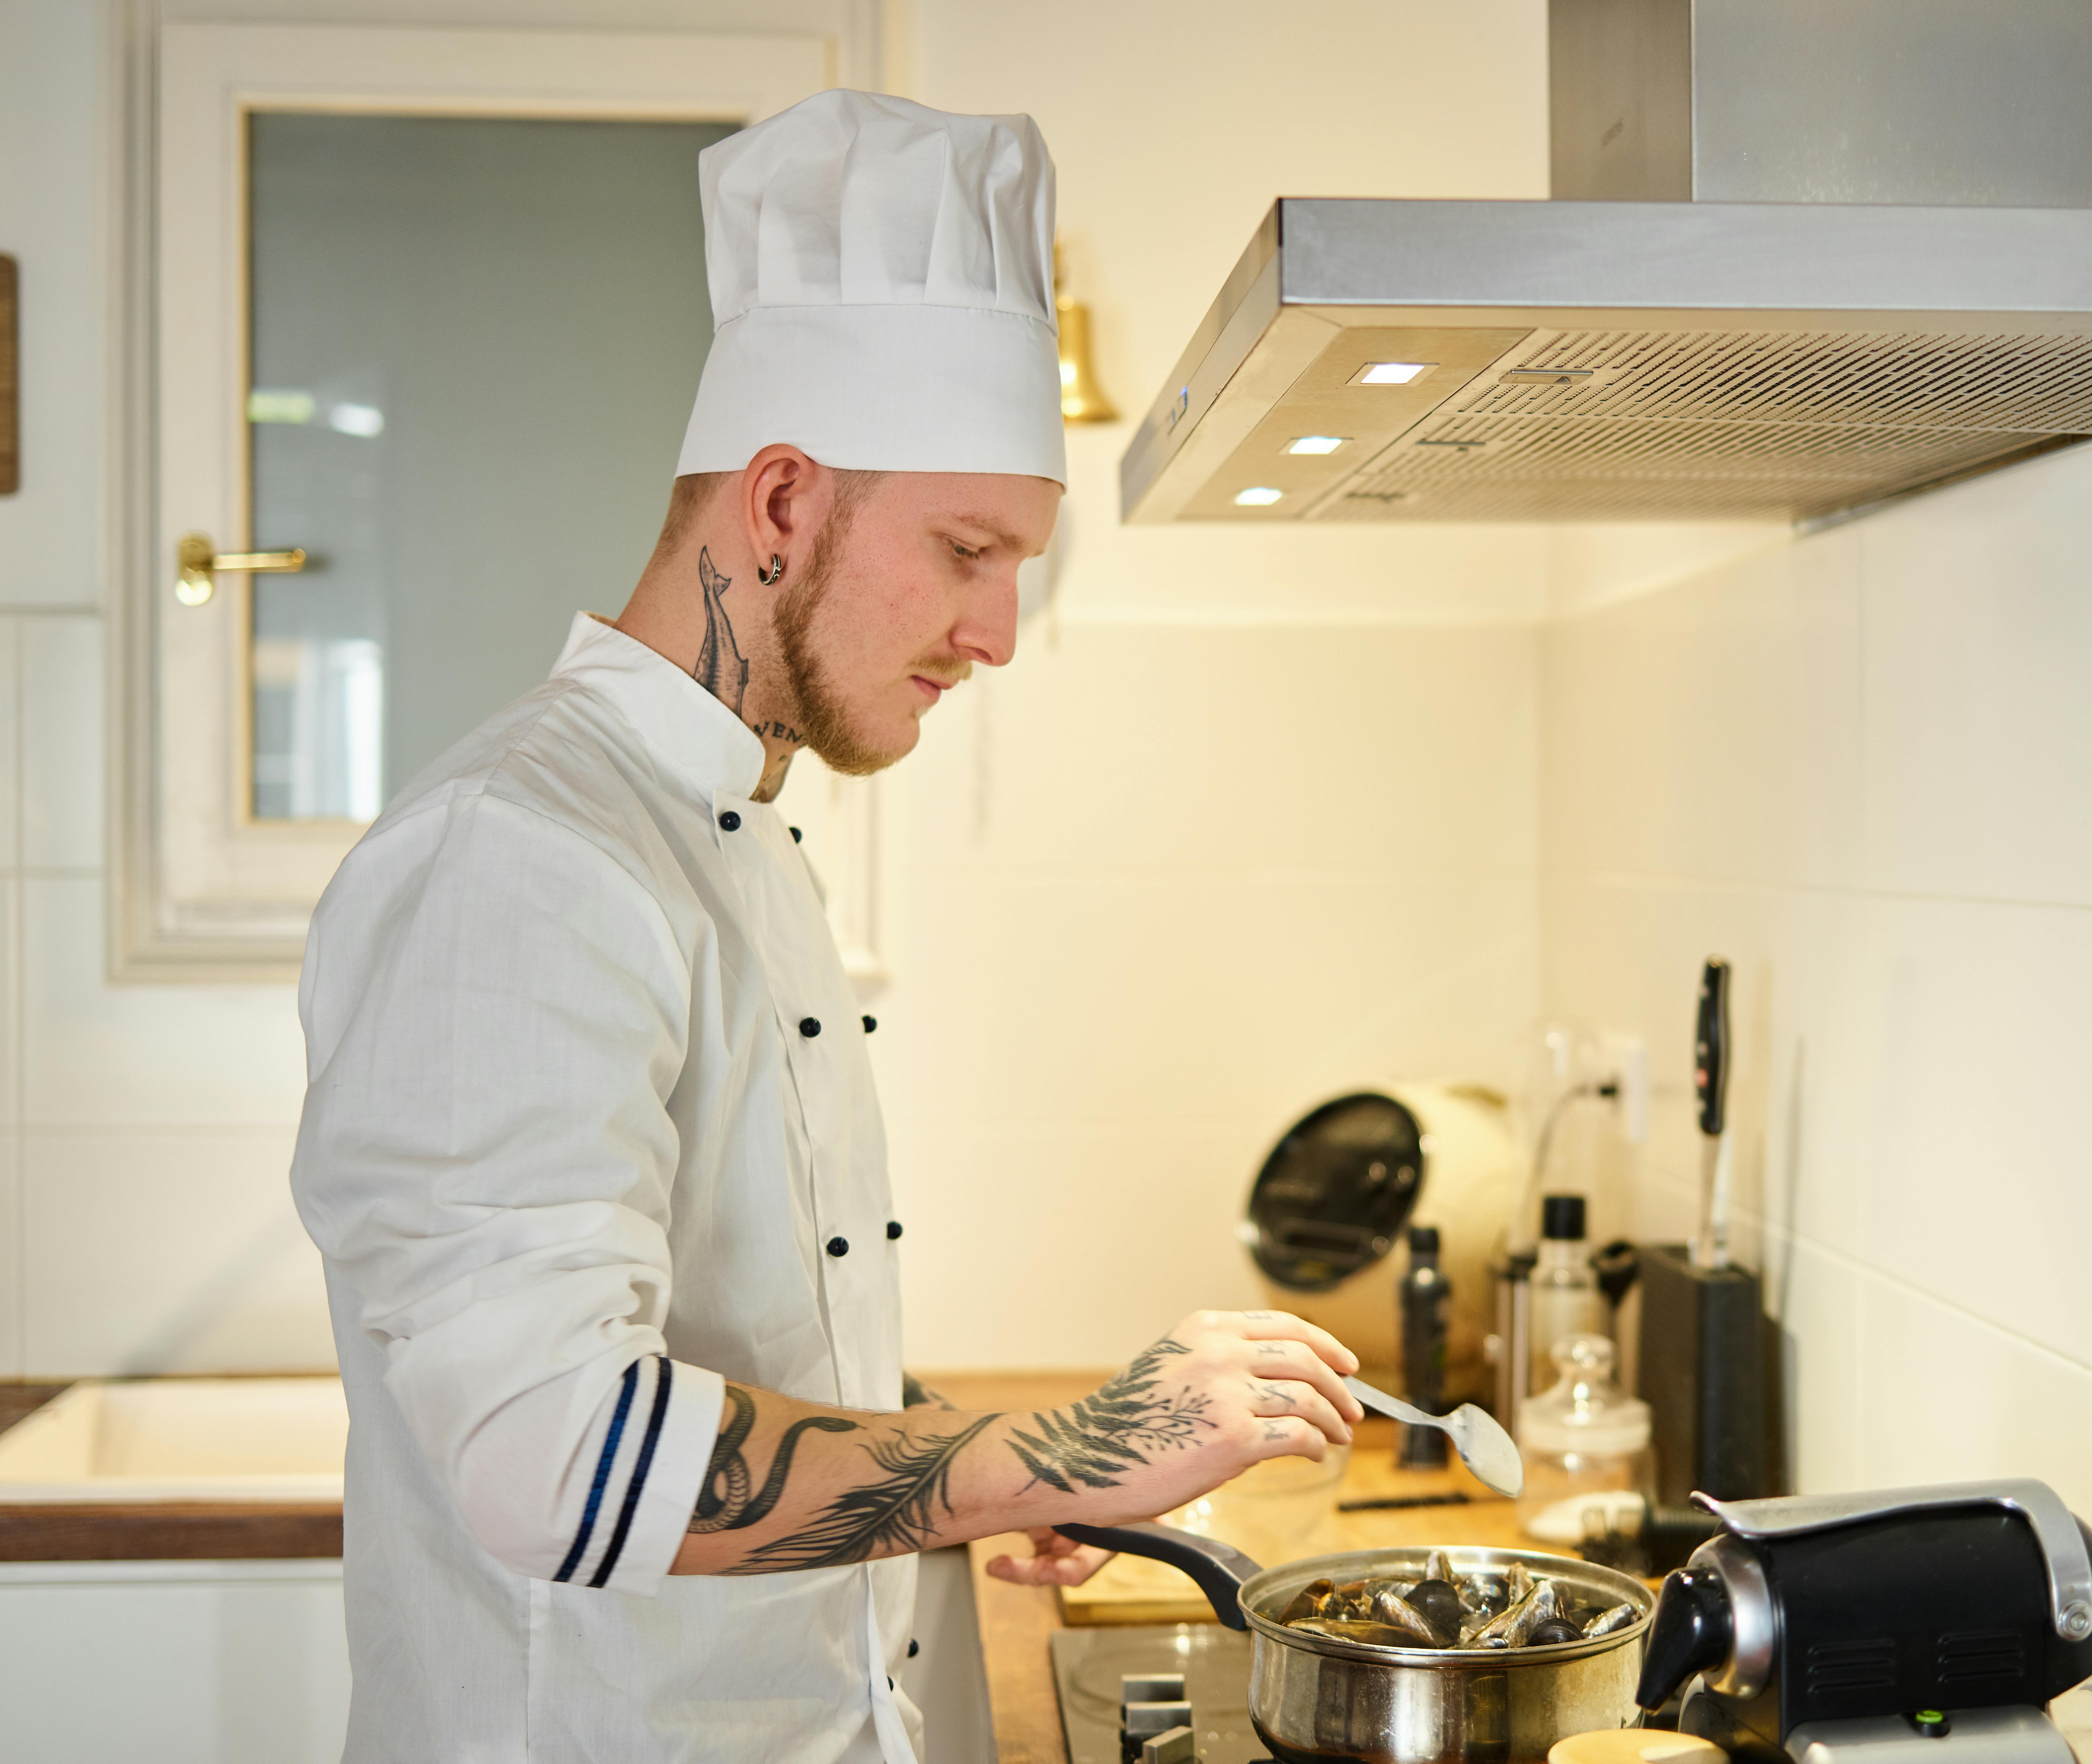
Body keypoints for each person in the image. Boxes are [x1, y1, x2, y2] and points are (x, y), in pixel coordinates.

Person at [290, 90, 1362, 1764]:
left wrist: (957, 1478)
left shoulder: (730, 834)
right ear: (782, 504)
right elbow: (558, 1460)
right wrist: (1054, 1450)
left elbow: (741, 1351)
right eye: (966, 551)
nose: (998, 632)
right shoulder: (520, 857)